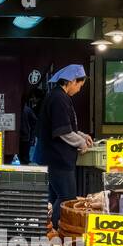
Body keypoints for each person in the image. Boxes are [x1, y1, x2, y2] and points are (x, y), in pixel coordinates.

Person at [38, 64, 92, 227]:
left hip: (54, 157)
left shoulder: (58, 96)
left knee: (55, 197)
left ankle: (47, 228)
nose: (79, 90)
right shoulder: (58, 98)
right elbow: (62, 132)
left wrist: (82, 135)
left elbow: (68, 128)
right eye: (80, 86)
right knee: (67, 197)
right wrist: (82, 143)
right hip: (58, 159)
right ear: (72, 81)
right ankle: (52, 228)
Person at [19, 86, 43, 165]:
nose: (31, 99)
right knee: (25, 157)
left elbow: (35, 122)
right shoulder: (28, 109)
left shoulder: (27, 109)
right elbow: (35, 122)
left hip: (23, 136)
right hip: (26, 136)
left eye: (33, 97)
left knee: (22, 156)